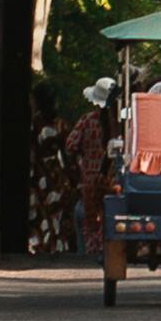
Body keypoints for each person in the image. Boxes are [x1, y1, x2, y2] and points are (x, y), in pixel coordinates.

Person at [61, 85, 112, 260]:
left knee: (87, 217)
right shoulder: (118, 123)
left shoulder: (88, 120)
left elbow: (70, 145)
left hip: (90, 177)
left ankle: (88, 254)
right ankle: (107, 249)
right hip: (112, 178)